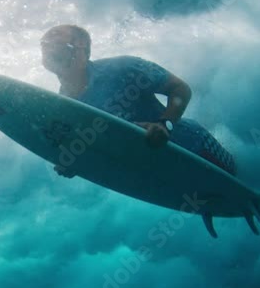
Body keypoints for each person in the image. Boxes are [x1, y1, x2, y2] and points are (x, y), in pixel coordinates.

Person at [39, 24, 236, 177]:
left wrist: (164, 125)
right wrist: (77, 164)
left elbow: (180, 89)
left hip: (194, 145)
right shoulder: (63, 108)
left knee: (243, 182)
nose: (46, 41)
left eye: (55, 35)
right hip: (160, 171)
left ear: (81, 44)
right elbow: (97, 147)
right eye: (43, 42)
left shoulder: (123, 68)